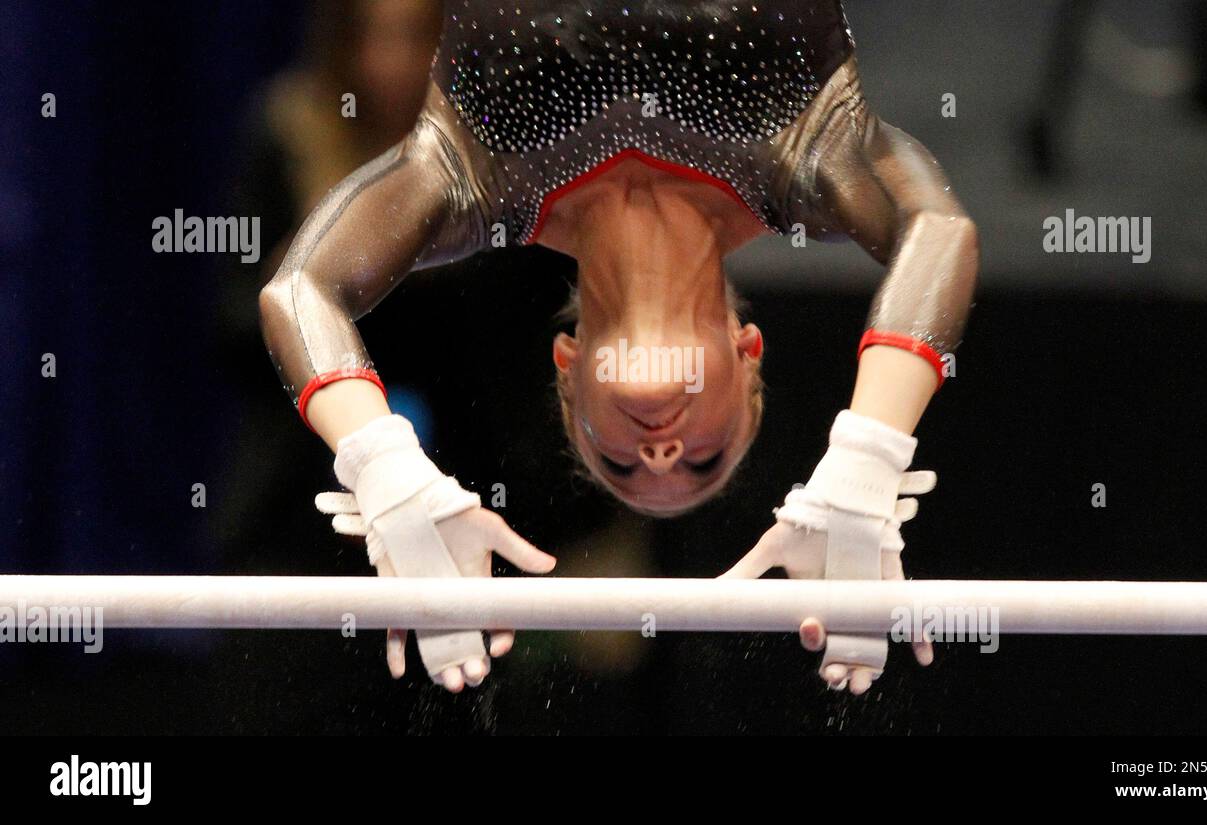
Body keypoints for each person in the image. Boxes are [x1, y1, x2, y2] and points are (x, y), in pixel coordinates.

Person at [260, 1, 978, 695]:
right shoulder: (811, 153)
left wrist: (382, 468)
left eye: (617, 463)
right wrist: (868, 456)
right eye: (705, 457)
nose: (661, 454)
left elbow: (298, 289)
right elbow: (940, 233)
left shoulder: (470, 178)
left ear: (568, 371)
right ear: (746, 352)